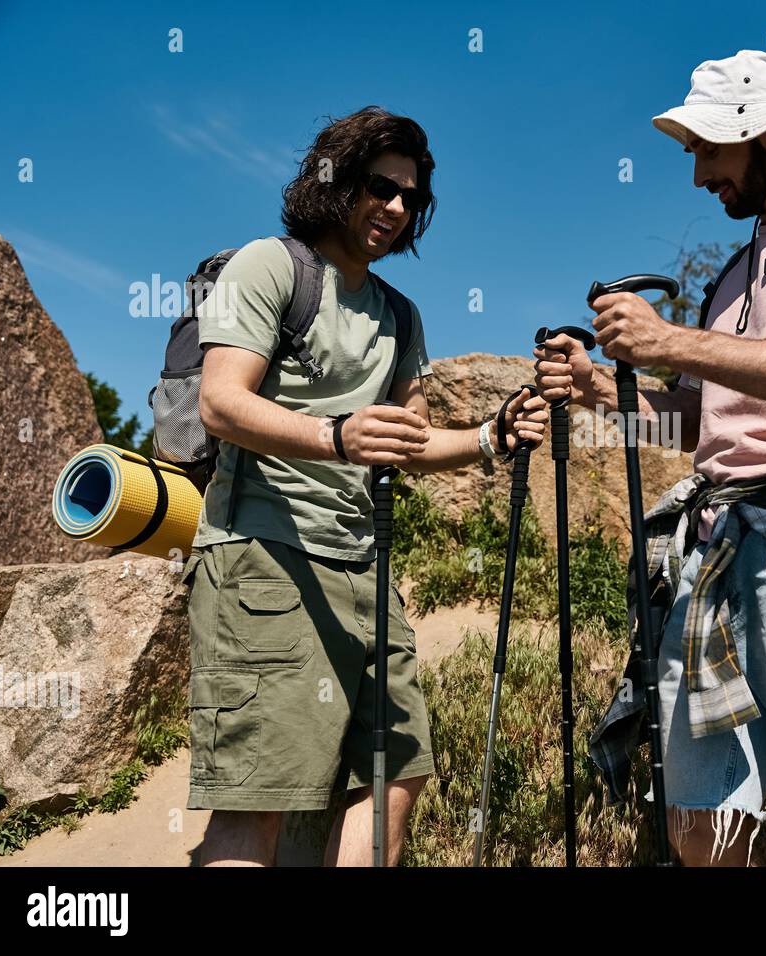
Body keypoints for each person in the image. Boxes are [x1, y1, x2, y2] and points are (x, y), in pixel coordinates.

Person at [533, 51, 766, 867]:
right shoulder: (733, 279)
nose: (701, 173)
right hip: (714, 547)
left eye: (710, 148)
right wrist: (601, 389)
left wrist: (670, 339)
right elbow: (697, 424)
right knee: (701, 832)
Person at [186, 106, 548, 866]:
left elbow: (408, 443)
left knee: (395, 776)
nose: (395, 208)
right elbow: (220, 401)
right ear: (337, 181)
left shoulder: (399, 314)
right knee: (263, 794)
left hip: (365, 571)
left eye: (410, 197)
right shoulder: (269, 266)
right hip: (265, 559)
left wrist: (492, 436)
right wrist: (336, 436)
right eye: (380, 187)